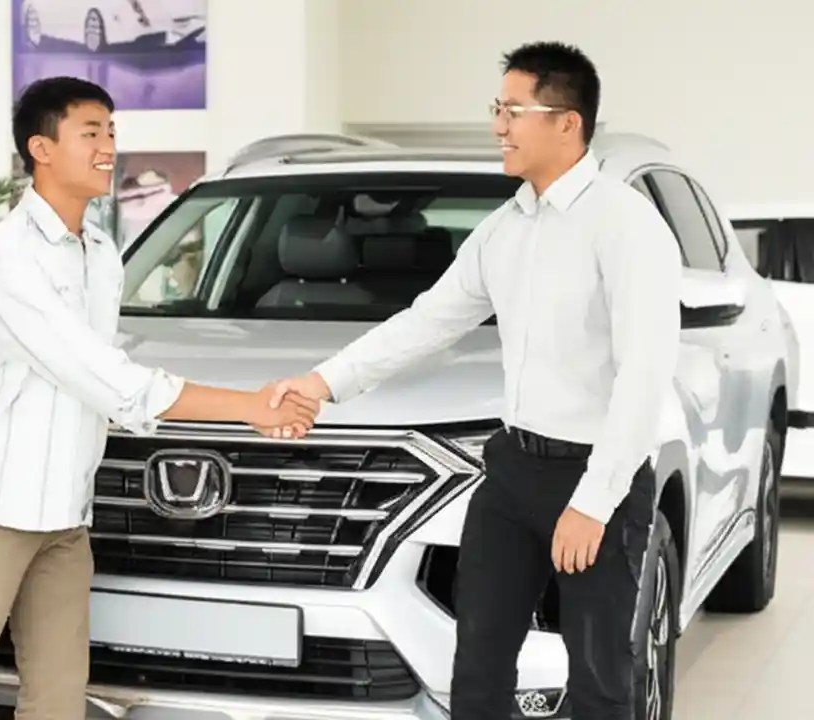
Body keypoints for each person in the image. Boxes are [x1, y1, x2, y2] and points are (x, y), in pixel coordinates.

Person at [268, 42, 681, 719]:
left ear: (567, 122)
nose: (499, 126)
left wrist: (595, 501)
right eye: (498, 108)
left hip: (594, 473)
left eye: (513, 110)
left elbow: (644, 374)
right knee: (479, 663)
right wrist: (324, 381)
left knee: (602, 674)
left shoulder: (626, 226)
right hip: (512, 471)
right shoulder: (505, 228)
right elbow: (426, 322)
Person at [0, 76, 318, 719]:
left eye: (112, 132)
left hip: (64, 512)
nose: (108, 146)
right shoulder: (13, 257)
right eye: (91, 132)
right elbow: (110, 380)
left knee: (59, 696)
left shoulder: (99, 252)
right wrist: (250, 405)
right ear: (41, 147)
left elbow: (99, 385)